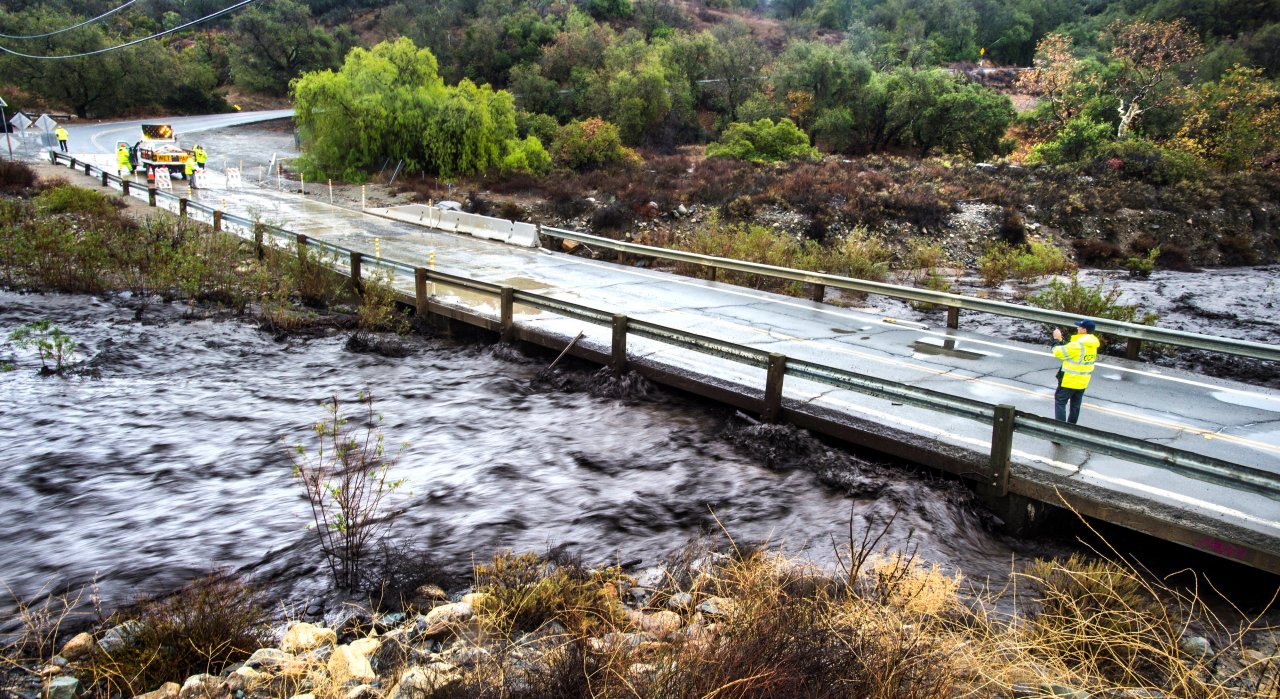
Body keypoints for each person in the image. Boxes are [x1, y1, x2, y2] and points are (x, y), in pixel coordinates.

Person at [1051, 319, 1100, 424]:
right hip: (1083, 381)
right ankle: (1072, 429)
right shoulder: (1092, 344)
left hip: (1069, 380)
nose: (1077, 328)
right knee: (1075, 406)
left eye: (1079, 327)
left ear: (1084, 330)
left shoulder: (1078, 345)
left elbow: (1058, 352)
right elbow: (1071, 352)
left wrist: (1056, 339)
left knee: (1060, 402)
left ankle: (1060, 430)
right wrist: (1061, 340)